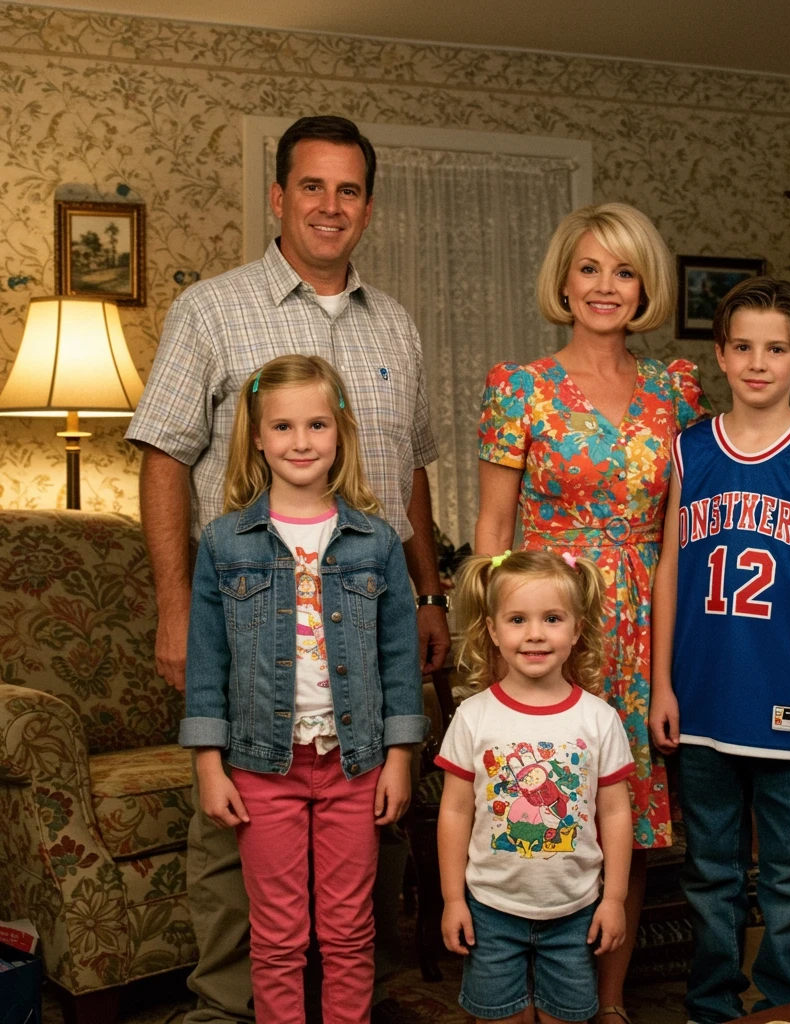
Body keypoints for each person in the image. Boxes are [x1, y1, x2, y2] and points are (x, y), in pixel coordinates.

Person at [474, 203, 790, 1023]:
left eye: (624, 270)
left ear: (645, 285)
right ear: (563, 282)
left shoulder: (673, 388)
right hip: (551, 623)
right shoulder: (520, 387)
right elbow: (491, 535)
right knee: (540, 797)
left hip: (651, 627)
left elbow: (744, 440)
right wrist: (496, 643)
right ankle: (529, 987)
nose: (605, 286)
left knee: (628, 812)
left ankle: (607, 1001)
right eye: (588, 268)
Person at [126, 116, 448, 1024]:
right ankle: (238, 1011)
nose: (329, 206)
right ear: (277, 196)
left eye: (348, 190)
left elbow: (413, 470)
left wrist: (428, 594)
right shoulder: (212, 310)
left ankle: (354, 1000)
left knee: (370, 846)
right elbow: (161, 457)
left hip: (376, 617)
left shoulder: (397, 323)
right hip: (253, 627)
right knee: (240, 849)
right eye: (312, 186)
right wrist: (175, 612)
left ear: (368, 207)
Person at [179, 354, 428, 1024]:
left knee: (349, 930)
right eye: (283, 426)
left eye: (316, 424)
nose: (300, 441)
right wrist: (210, 764)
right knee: (279, 933)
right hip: (264, 766)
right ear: (257, 437)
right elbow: (207, 664)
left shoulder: (374, 540)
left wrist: (399, 758)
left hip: (354, 764)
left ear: (340, 432)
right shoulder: (224, 541)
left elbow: (400, 658)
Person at [650, 277, 790, 1024]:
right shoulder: (689, 449)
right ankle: (711, 1008)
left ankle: (784, 1009)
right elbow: (670, 568)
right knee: (709, 874)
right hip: (703, 700)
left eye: (776, 348)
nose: (758, 362)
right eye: (743, 346)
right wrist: (660, 686)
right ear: (719, 353)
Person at [436, 550, 635, 1024]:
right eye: (518, 619)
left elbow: (615, 814)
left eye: (552, 618)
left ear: (577, 628)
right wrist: (452, 899)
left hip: (575, 911)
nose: (535, 634)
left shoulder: (599, 720)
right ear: (492, 630)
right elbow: (455, 812)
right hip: (490, 909)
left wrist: (615, 899)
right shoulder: (472, 717)